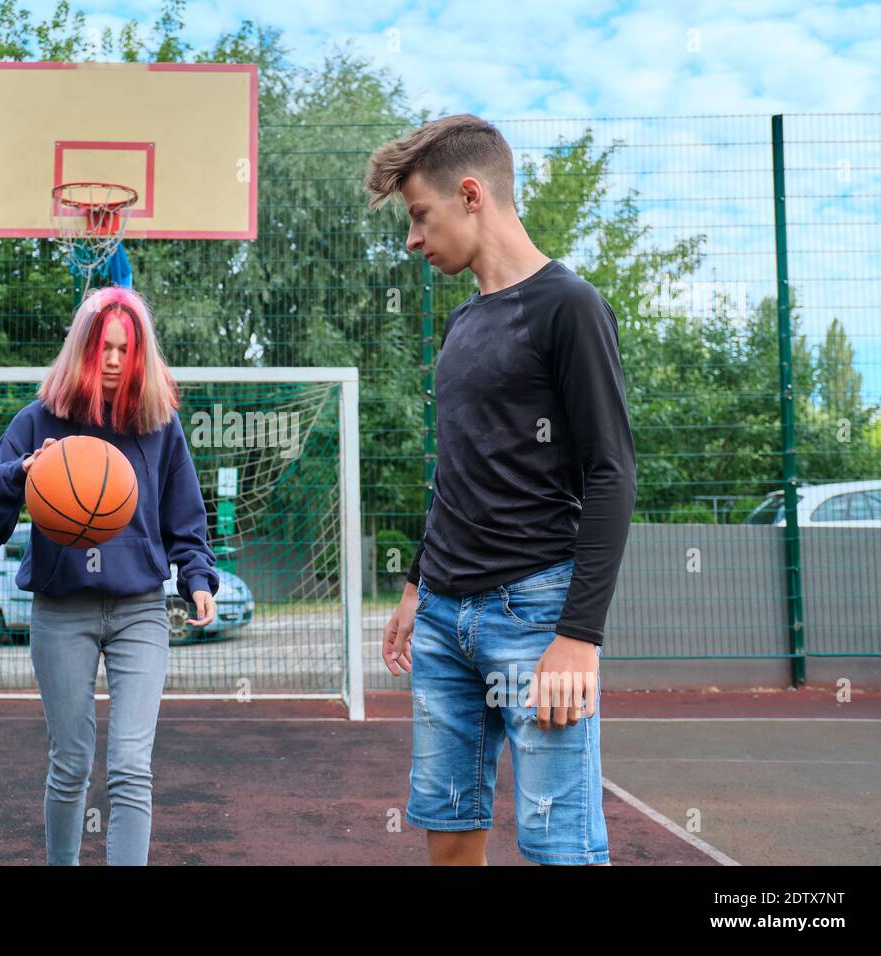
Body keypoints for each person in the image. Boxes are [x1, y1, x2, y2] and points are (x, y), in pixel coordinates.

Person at [365, 115, 637, 866]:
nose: (413, 240)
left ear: (473, 194)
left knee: (561, 849)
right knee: (448, 832)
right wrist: (419, 584)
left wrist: (578, 637)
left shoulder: (569, 306)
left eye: (420, 215)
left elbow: (612, 472)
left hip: (534, 612)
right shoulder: (461, 324)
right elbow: (459, 472)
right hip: (444, 619)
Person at [0, 286, 219, 866]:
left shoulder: (160, 428)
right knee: (71, 762)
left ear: (139, 356)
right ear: (82, 350)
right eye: (103, 347)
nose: (112, 360)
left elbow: (186, 518)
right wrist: (23, 471)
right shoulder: (39, 421)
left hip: (141, 610)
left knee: (130, 765)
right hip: (61, 610)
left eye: (125, 349)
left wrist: (197, 579)